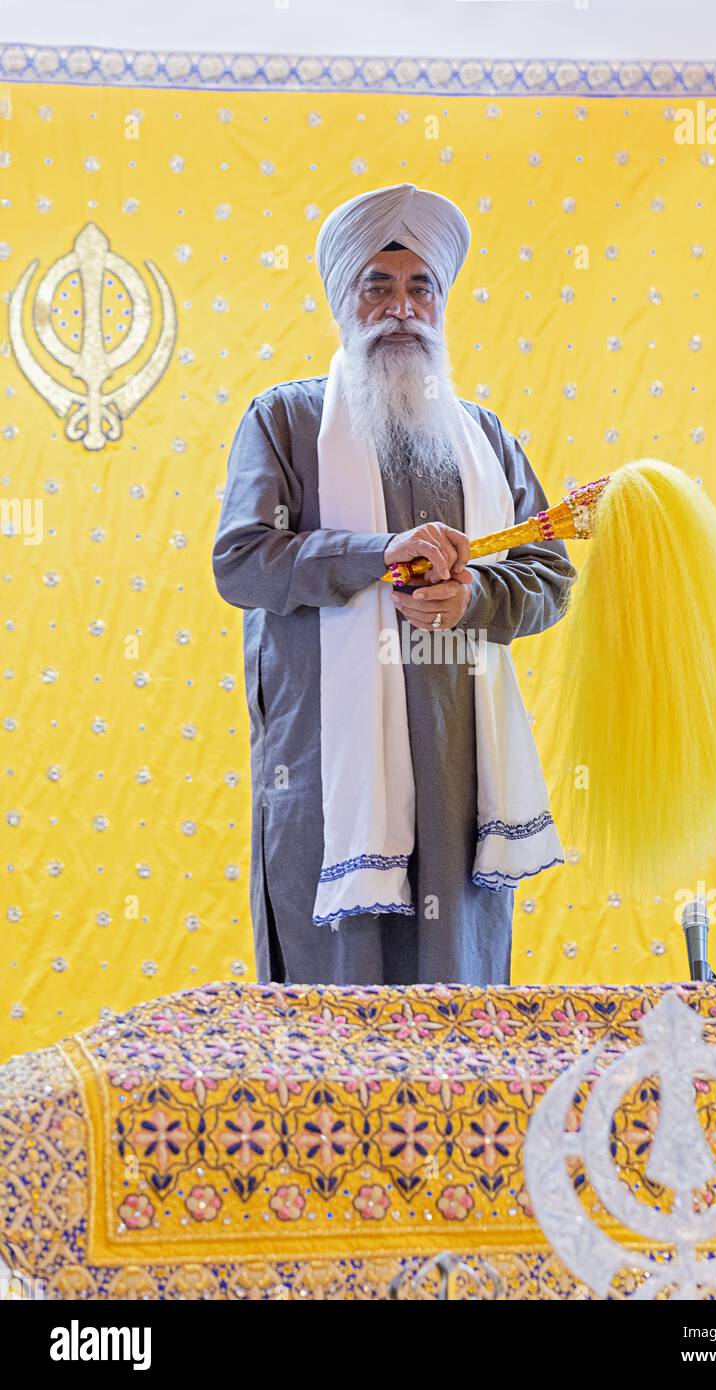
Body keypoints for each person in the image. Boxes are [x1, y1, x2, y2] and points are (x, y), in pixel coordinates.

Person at [212, 181, 575, 986]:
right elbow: (240, 563)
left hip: (461, 779)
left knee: (459, 1009)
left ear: (442, 304)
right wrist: (378, 553)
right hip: (325, 778)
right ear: (345, 300)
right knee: (331, 1017)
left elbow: (549, 572)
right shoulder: (286, 421)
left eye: (421, 288)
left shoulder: (484, 436)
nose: (401, 307)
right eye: (378, 285)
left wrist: (475, 598)